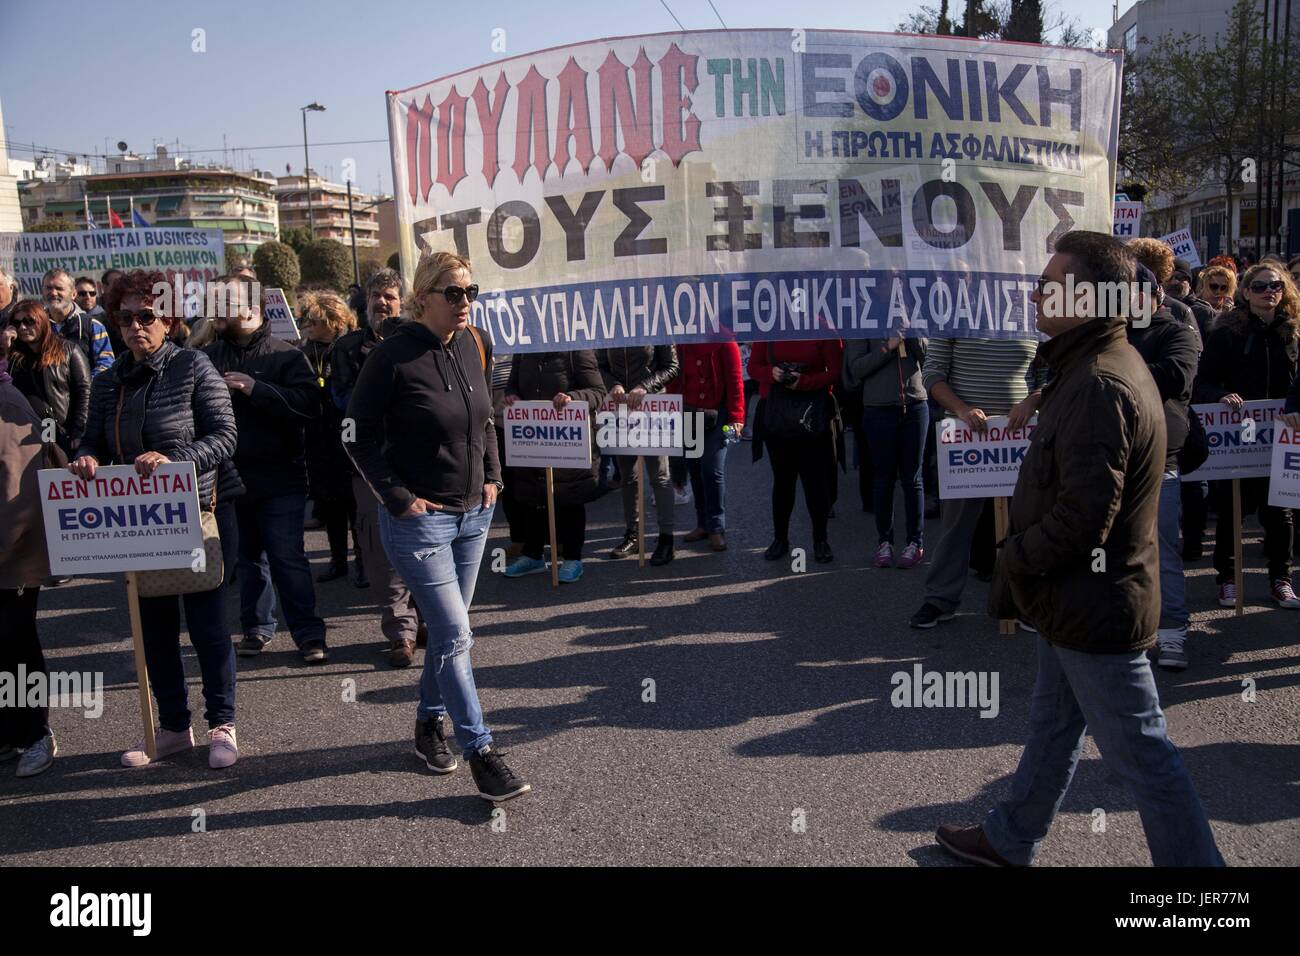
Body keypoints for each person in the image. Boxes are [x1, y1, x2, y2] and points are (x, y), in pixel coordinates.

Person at [937, 230, 1223, 868]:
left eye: (1049, 283)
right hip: (1078, 599)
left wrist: (1015, 553)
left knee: (1144, 754)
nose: (1035, 294)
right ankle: (1011, 837)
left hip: (1096, 603)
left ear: (1090, 296)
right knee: (1053, 724)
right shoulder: (1086, 365)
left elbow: (1085, 516)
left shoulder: (1100, 382)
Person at [347, 251, 530, 802]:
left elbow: (486, 417)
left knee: (450, 638)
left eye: (471, 292)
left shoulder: (475, 344)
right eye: (454, 293)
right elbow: (355, 433)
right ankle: (481, 750)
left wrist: (494, 477)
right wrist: (399, 498)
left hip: (475, 515)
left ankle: (428, 720)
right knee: (454, 635)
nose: (465, 303)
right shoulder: (391, 358)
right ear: (422, 296)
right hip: (420, 524)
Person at [69, 270, 241, 768]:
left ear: (167, 320)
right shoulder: (109, 380)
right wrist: (86, 458)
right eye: (125, 318)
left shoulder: (193, 365)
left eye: (147, 317)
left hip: (195, 515)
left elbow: (226, 436)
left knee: (208, 628)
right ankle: (171, 728)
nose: (135, 327)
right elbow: (91, 439)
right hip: (136, 525)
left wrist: (176, 460)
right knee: (154, 632)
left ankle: (222, 726)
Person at [204, 275, 328, 662]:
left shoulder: (286, 354)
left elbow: (309, 406)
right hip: (229, 478)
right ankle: (256, 628)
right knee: (246, 558)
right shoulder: (206, 356)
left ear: (253, 310)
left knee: (286, 557)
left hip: (281, 477)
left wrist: (255, 389)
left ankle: (308, 635)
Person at [909, 334, 1042, 628]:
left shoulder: (1028, 316)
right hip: (966, 437)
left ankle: (1025, 603)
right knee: (956, 526)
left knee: (1025, 525)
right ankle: (939, 599)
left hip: (1019, 437)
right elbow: (933, 374)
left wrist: (1032, 401)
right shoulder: (956, 314)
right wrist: (961, 409)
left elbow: (1050, 376)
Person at [332, 268, 428, 666]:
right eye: (375, 295)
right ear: (365, 301)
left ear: (402, 301)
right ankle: (400, 633)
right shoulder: (348, 348)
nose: (382, 302)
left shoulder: (418, 342)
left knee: (425, 545)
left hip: (419, 462)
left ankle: (425, 618)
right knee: (380, 550)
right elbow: (341, 400)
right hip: (369, 465)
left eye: (389, 295)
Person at [1194, 262, 1300, 608]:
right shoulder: (1227, 332)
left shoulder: (1294, 333)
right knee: (1232, 508)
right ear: (1245, 292)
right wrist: (1220, 397)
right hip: (1241, 431)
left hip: (1283, 434)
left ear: (1284, 291)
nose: (1268, 292)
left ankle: (1280, 579)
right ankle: (1227, 579)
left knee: (1280, 511)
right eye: (1259, 286)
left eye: (1275, 286)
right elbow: (1203, 382)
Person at [1127, 264, 1199, 670]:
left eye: (1138, 292)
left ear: (1156, 296)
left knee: (1162, 552)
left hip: (1159, 460)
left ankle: (1172, 632)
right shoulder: (1110, 333)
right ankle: (1127, 628)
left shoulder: (1178, 333)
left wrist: (1111, 372)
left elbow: (1173, 377)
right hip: (1111, 458)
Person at [0, 356, 60, 776]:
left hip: (14, 558)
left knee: (16, 646)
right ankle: (8, 732)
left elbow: (15, 501)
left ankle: (36, 734)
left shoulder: (9, 405)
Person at [502, 350, 606, 581]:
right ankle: (533, 556)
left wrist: (573, 397)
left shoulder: (576, 350)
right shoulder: (524, 352)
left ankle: (572, 559)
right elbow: (512, 385)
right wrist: (512, 396)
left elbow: (598, 392)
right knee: (533, 499)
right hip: (532, 437)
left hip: (568, 440)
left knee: (568, 500)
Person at [749, 337, 844, 564]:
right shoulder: (769, 327)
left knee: (815, 482)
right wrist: (771, 373)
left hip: (814, 414)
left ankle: (820, 540)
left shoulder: (823, 327)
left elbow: (836, 371)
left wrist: (805, 382)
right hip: (776, 414)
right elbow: (752, 367)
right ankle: (780, 539)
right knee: (783, 481)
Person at [843, 335, 929, 569]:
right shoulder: (864, 322)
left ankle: (915, 542)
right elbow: (857, 368)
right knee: (884, 479)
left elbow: (929, 359)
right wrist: (886, 347)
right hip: (878, 409)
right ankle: (885, 542)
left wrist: (913, 334)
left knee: (913, 479)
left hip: (915, 406)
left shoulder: (915, 315)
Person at [597, 344, 680, 565]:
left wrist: (645, 386)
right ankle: (633, 535)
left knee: (659, 477)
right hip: (620, 407)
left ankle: (666, 539)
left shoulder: (657, 322)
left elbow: (671, 366)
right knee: (629, 478)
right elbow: (600, 365)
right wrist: (613, 383)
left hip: (653, 404)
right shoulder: (608, 326)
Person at [297, 291, 359, 583]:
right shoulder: (304, 352)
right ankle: (337, 560)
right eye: (307, 320)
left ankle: (362, 561)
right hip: (318, 435)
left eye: (316, 320)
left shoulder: (349, 347)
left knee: (354, 502)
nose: (309, 325)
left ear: (334, 321)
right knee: (330, 500)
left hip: (348, 433)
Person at [671, 341, 745, 551]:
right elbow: (674, 380)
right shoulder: (682, 342)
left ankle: (716, 527)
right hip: (688, 415)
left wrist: (736, 417)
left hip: (718, 416)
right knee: (694, 468)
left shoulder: (726, 342)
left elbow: (735, 381)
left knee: (712, 470)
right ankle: (702, 524)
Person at [5, 301, 90, 458]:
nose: (23, 327)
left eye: (29, 321)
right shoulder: (13, 357)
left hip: (62, 432)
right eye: (17, 323)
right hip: (24, 435)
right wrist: (5, 347)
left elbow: (84, 392)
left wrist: (79, 431)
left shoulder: (69, 350)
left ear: (42, 321)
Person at [43, 268, 113, 378]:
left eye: (59, 288)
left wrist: (84, 386)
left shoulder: (93, 326)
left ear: (73, 294)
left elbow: (105, 365)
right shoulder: (36, 325)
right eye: (48, 288)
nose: (53, 293)